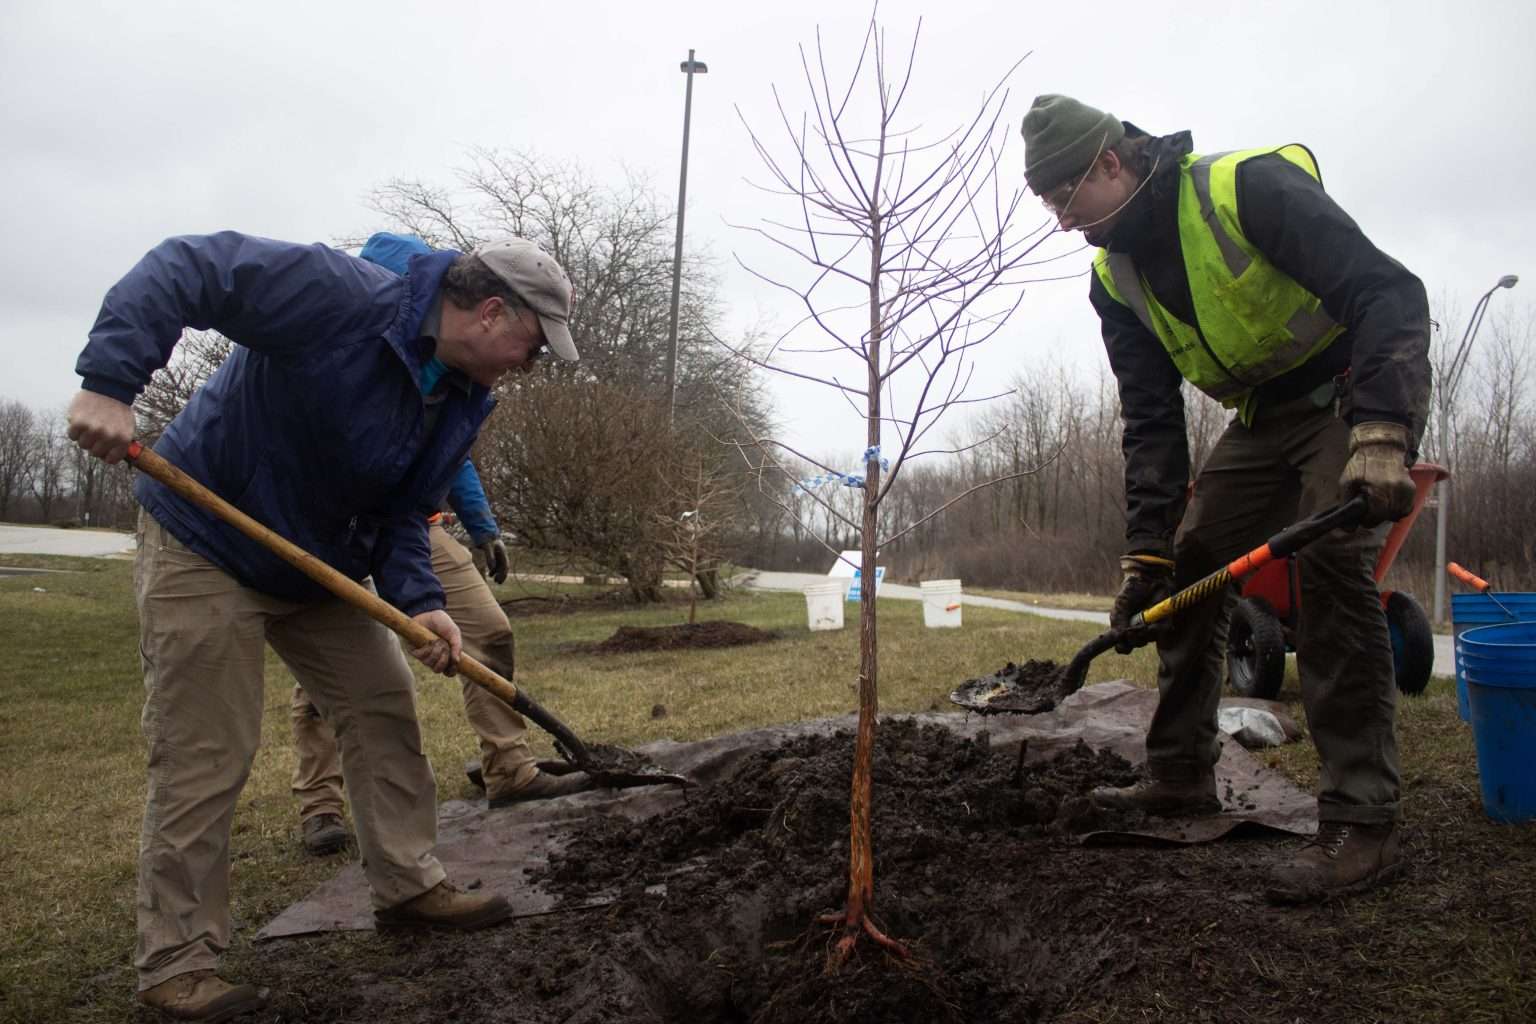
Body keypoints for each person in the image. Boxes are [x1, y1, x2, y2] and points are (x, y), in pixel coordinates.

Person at [66, 228, 579, 1020]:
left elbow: (406, 511)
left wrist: (422, 604)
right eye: (534, 343)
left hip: (312, 562)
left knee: (382, 701)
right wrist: (109, 381)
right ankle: (177, 964)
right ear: (488, 312)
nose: (531, 362)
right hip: (206, 541)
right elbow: (188, 266)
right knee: (207, 751)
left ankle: (409, 885)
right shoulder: (344, 297)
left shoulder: (463, 397)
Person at [1019, 95, 1431, 903]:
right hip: (1261, 417)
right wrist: (1147, 554)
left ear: (1111, 163)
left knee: (1329, 566)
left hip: (1346, 393)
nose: (1063, 223)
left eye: (1067, 199)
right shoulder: (1115, 278)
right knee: (1192, 566)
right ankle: (1178, 776)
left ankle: (1361, 822)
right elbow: (1151, 424)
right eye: (1047, 207)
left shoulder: (1245, 189)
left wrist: (1382, 432)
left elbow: (1390, 293)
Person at [293, 234, 591, 858]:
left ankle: (509, 768)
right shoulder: (360, 326)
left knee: (488, 628)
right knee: (329, 674)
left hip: (408, 524)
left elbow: (447, 455)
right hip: (324, 520)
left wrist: (482, 529)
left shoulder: (456, 357)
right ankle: (321, 805)